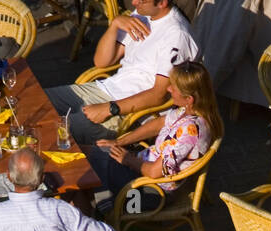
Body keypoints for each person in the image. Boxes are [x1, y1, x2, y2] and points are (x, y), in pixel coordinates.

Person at [47, 0, 198, 147]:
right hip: (105, 89)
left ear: (162, 3)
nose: (133, 2)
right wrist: (115, 25)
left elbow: (159, 95)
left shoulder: (176, 36)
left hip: (130, 111)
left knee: (52, 131)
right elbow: (102, 61)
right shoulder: (142, 14)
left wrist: (110, 108)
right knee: (37, 102)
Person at [87, 60, 218, 209]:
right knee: (92, 153)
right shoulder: (188, 111)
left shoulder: (190, 131)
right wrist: (119, 142)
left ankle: (106, 210)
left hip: (149, 196)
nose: (168, 89)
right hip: (141, 174)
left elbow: (154, 172)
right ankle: (96, 205)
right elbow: (159, 123)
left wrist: (127, 159)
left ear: (189, 99)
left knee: (95, 158)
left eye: (173, 87)